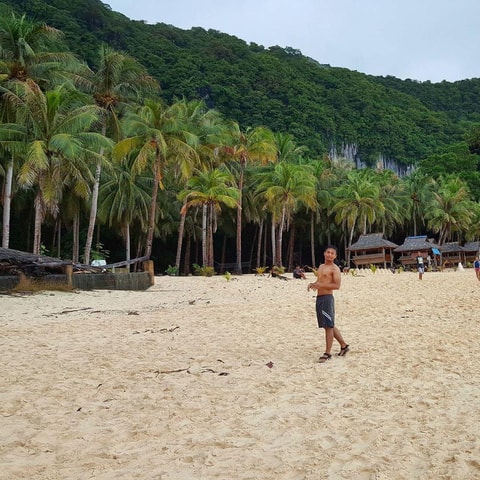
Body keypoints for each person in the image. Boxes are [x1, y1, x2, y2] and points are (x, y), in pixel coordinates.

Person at [307, 245, 349, 363]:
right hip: (319, 298)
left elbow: (336, 286)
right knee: (328, 324)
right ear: (324, 253)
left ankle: (327, 353)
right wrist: (313, 284)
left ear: (335, 256)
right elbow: (320, 281)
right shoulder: (321, 267)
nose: (330, 255)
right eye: (328, 252)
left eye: (332, 253)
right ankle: (344, 345)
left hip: (327, 298)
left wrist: (321, 285)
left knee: (328, 326)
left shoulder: (334, 269)